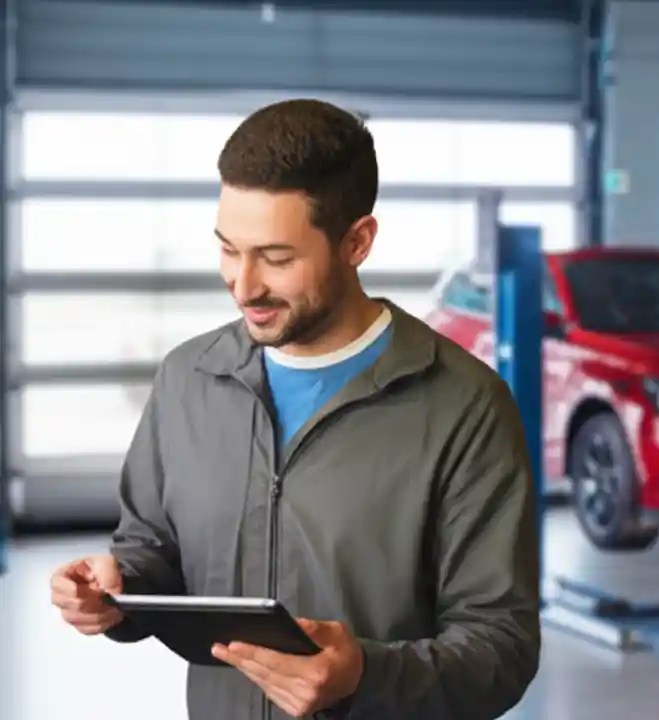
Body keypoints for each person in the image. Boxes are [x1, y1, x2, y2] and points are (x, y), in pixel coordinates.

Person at [47, 98, 541, 719]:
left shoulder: (463, 405)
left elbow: (502, 645)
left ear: (357, 242)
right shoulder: (187, 380)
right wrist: (117, 589)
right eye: (229, 249)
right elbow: (152, 548)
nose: (244, 284)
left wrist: (364, 676)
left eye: (277, 259)